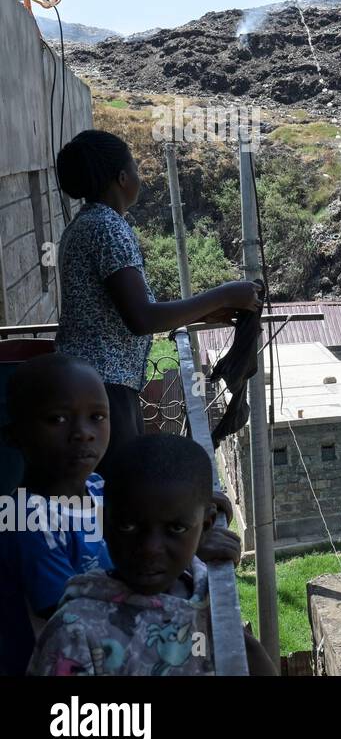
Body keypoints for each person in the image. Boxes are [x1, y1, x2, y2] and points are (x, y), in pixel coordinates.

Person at [0, 355, 243, 676]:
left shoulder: (99, 486)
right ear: (14, 435)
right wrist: (188, 547)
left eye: (97, 416)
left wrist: (189, 503)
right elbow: (72, 612)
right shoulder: (24, 519)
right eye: (58, 419)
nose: (83, 433)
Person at [53, 130, 262, 479]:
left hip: (86, 383)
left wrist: (209, 311)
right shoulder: (108, 228)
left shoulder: (83, 225)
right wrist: (225, 294)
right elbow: (142, 318)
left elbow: (124, 310)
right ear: (122, 178)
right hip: (103, 389)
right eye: (135, 167)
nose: (139, 175)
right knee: (119, 496)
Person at [26, 433, 276, 676]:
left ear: (206, 526)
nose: (149, 548)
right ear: (104, 525)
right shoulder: (74, 632)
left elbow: (244, 656)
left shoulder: (210, 597)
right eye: (129, 526)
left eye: (176, 528)